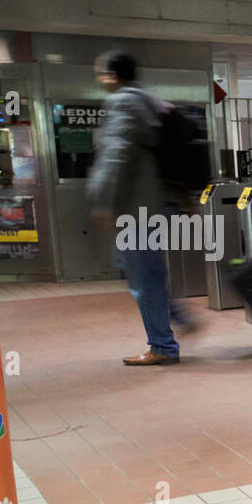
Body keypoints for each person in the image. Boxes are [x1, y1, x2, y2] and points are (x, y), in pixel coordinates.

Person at [87, 50, 193, 367]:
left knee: (143, 277)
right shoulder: (151, 100)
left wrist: (104, 201)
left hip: (139, 208)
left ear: (113, 76)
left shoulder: (123, 102)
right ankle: (176, 317)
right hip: (158, 204)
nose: (100, 79)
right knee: (135, 268)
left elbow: (117, 155)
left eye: (101, 74)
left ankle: (163, 346)